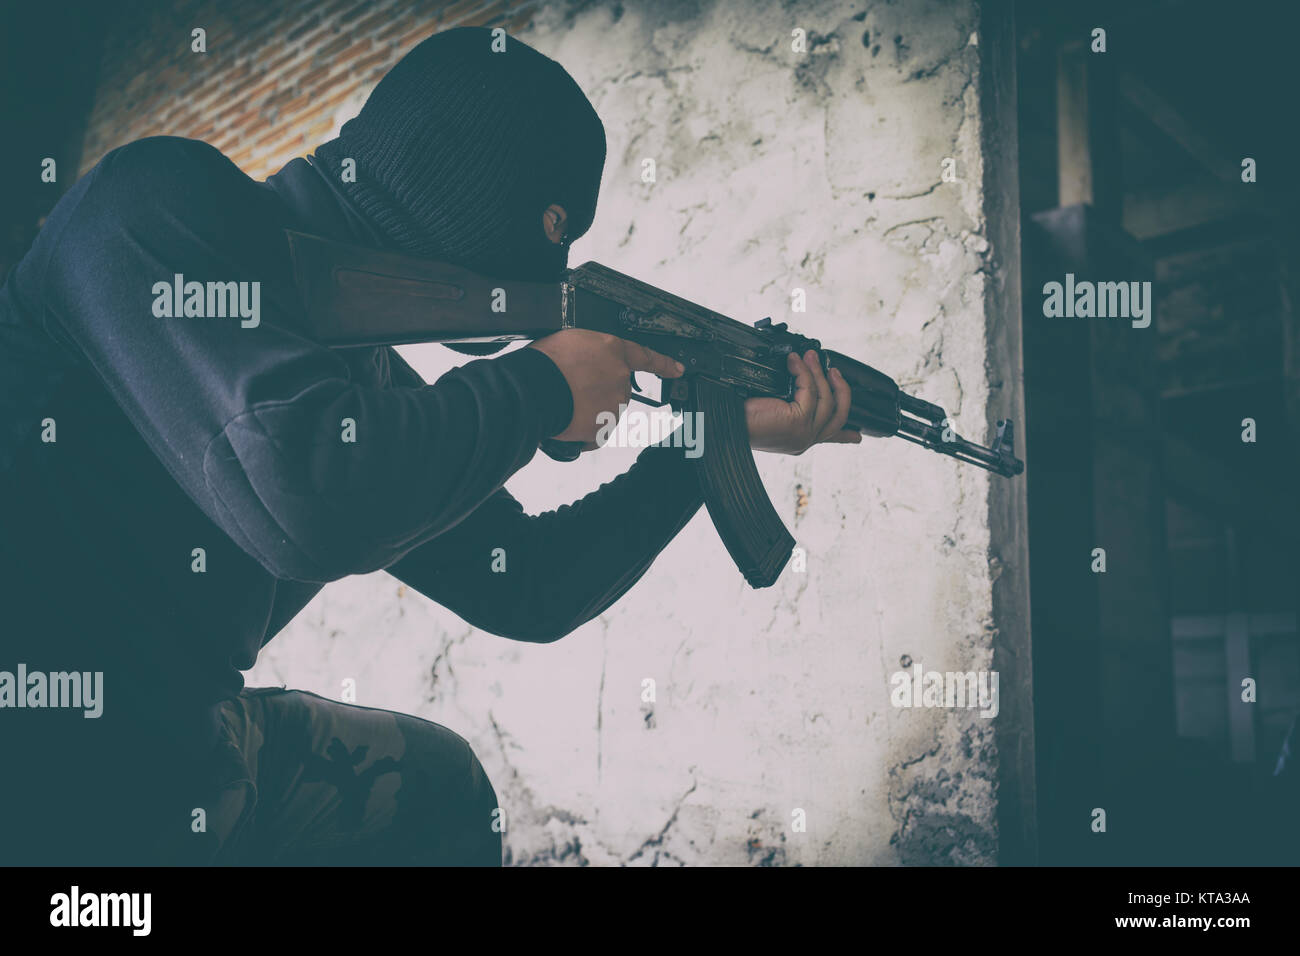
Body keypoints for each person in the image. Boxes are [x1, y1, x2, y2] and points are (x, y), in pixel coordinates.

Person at [0, 26, 859, 865]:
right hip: (42, 778)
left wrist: (706, 443)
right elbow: (305, 499)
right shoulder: (150, 204)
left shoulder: (357, 375)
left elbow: (527, 581)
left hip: (182, 752)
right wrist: (544, 387)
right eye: (552, 229)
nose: (550, 275)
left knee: (444, 796)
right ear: (463, 187)